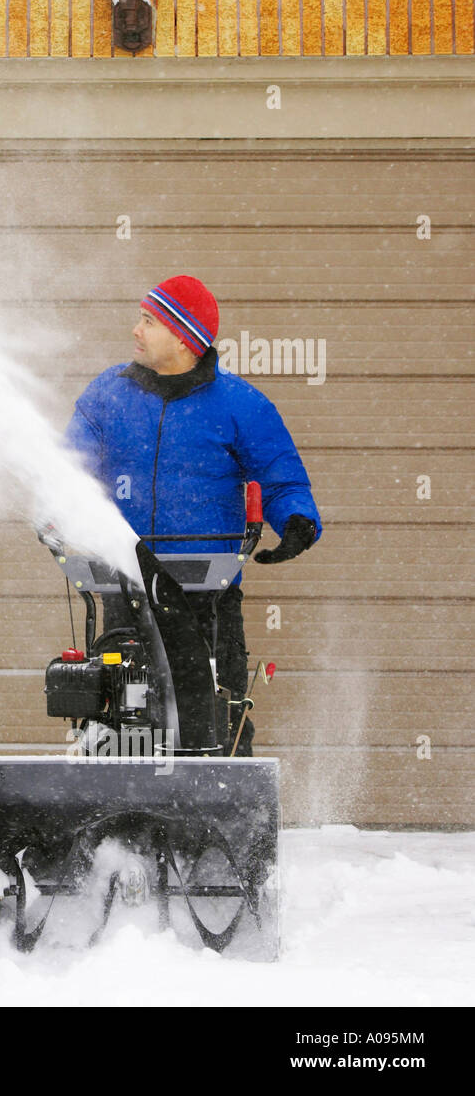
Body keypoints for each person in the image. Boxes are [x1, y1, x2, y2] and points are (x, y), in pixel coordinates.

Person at [62, 276, 322, 756]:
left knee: (217, 722)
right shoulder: (108, 395)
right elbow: (68, 467)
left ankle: (225, 793)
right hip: (125, 592)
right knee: (119, 723)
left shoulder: (240, 406)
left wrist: (296, 521)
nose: (136, 330)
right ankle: (118, 797)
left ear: (183, 338)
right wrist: (53, 509)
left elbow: (282, 480)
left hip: (208, 600)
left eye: (149, 321)